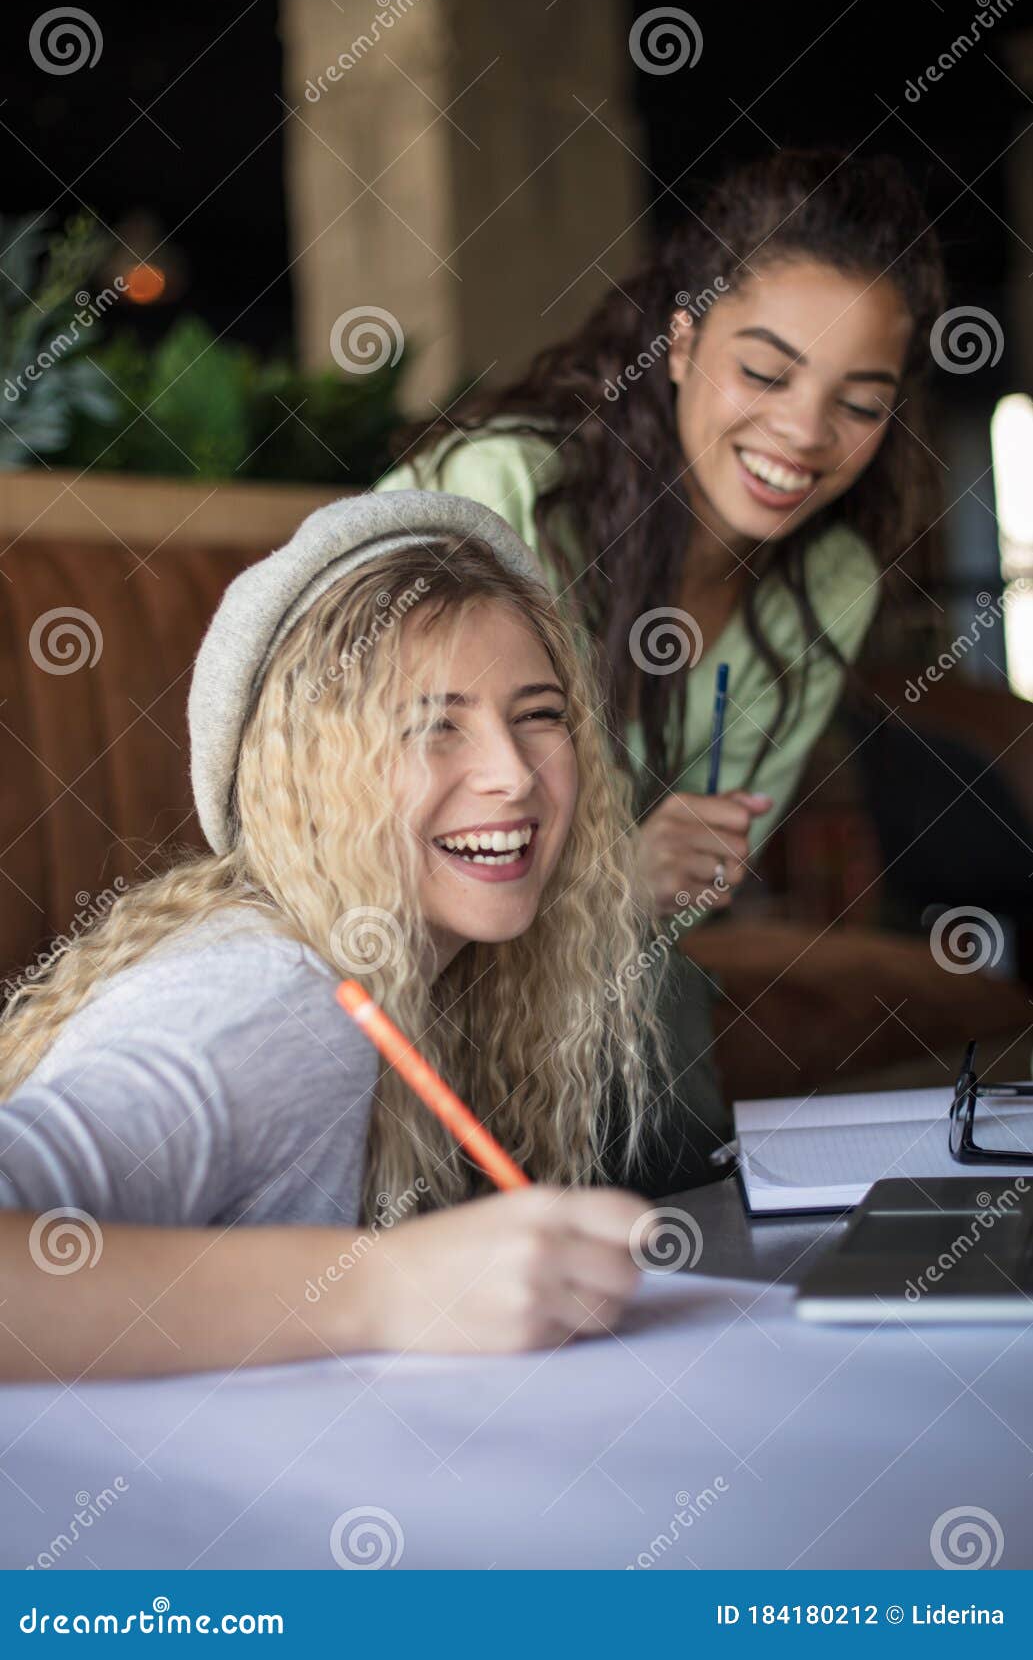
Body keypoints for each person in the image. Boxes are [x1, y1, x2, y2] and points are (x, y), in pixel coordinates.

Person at [0, 490, 726, 1384]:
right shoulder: (270, 1002)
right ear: (308, 777)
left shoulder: (450, 979)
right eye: (432, 726)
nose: (511, 776)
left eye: (538, 714)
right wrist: (385, 1291)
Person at [376, 147, 946, 920]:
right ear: (680, 344)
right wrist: (617, 885)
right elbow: (348, 815)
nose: (804, 433)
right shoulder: (497, 491)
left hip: (595, 982)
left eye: (859, 404)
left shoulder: (829, 585)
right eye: (765, 375)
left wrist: (639, 893)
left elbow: (687, 896)